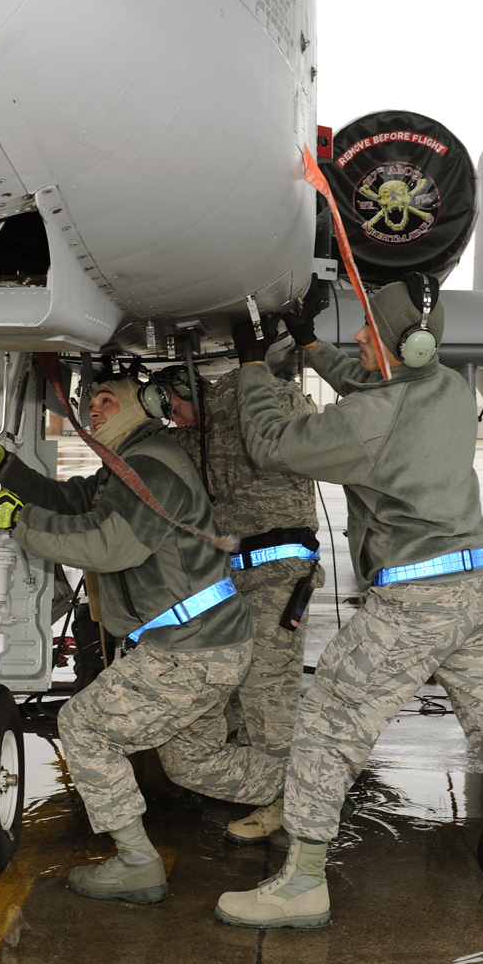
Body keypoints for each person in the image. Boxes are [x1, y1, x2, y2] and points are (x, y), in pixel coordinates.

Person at [213, 275, 483, 938]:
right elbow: (375, 390)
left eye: (369, 331)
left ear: (407, 345)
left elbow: (272, 444)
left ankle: (302, 885)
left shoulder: (375, 418)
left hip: (415, 603)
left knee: (327, 728)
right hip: (478, 594)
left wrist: (253, 368)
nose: (359, 337)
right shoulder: (446, 389)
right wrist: (308, 343)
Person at [0, 375, 282, 905]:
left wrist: (20, 522)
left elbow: (110, 545)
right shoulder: (133, 460)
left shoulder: (151, 467)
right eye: (87, 403)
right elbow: (76, 503)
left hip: (192, 649)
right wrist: (10, 471)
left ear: (140, 406)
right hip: (210, 641)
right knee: (192, 761)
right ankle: (303, 790)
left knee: (84, 727)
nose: (92, 411)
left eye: (105, 401)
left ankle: (139, 863)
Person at [151, 362, 324, 847]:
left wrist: (233, 394)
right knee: (238, 689)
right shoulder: (192, 439)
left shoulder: (265, 403)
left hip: (280, 577)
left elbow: (287, 427)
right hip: (233, 580)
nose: (176, 420)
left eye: (176, 406)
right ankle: (262, 785)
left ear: (194, 390)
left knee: (270, 693)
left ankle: (294, 810)